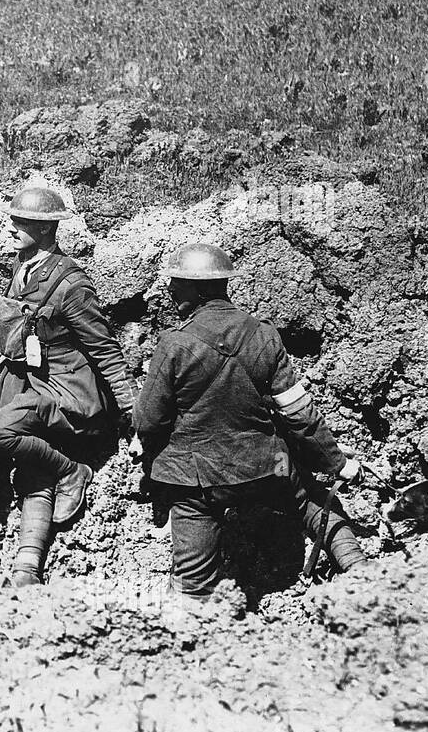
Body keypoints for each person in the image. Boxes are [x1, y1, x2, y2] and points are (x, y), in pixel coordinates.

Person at [132, 242, 366, 602]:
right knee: (309, 499)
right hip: (264, 468)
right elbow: (299, 412)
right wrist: (337, 464)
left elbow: (147, 421)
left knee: (192, 574)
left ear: (197, 288)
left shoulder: (174, 344)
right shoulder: (264, 334)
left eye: (176, 282)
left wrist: (147, 445)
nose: (170, 289)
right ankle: (361, 571)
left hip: (197, 481)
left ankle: (193, 623)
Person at [0, 187, 136, 587]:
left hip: (65, 389)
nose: (12, 228)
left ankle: (72, 473)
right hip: (27, 376)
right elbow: (26, 324)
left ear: (47, 229)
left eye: (22, 222)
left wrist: (134, 414)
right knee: (17, 461)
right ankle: (25, 568)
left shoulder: (71, 285)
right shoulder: (23, 266)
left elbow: (105, 350)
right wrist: (1, 348)